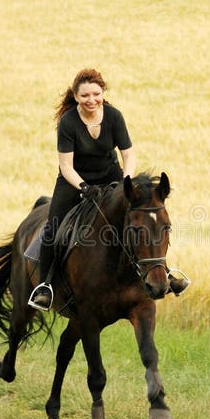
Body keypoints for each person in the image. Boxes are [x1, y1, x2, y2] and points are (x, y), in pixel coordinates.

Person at [28, 68, 188, 311]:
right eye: (85, 96)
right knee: (54, 226)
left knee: (142, 221)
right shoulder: (69, 122)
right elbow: (66, 166)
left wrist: (126, 181)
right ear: (75, 96)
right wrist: (83, 186)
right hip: (74, 182)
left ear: (103, 92)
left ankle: (164, 273)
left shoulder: (114, 116)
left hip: (110, 176)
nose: (91, 100)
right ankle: (45, 287)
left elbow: (128, 154)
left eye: (96, 94)